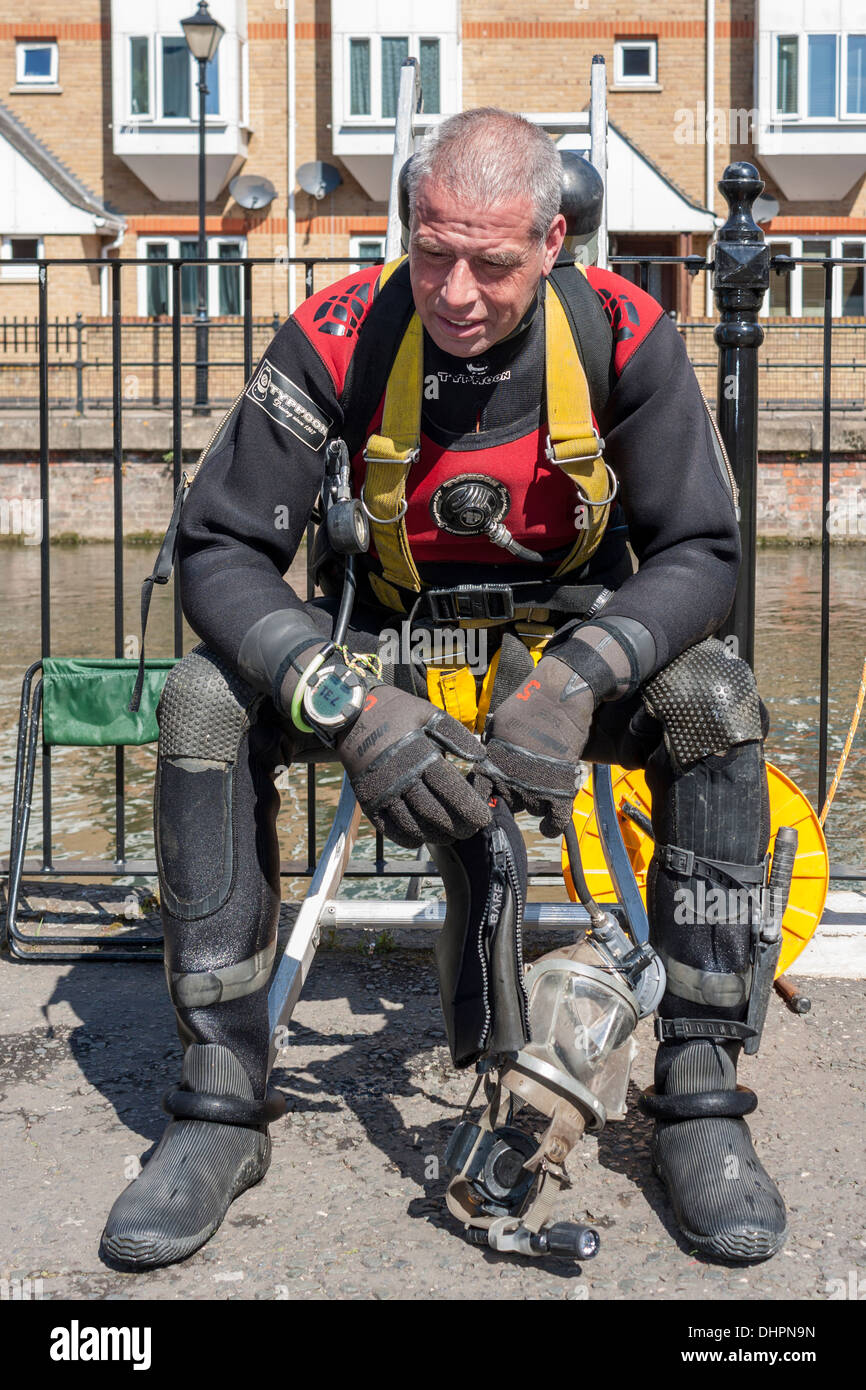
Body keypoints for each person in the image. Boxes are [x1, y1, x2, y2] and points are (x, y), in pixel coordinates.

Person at [101, 108, 785, 1271]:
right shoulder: (335, 334)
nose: (455, 290)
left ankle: (698, 1088)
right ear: (404, 230)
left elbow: (702, 553)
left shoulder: (625, 334)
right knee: (202, 702)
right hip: (375, 657)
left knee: (713, 699)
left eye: (492, 260)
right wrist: (344, 704)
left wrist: (582, 675)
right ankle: (219, 1095)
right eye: (430, 252)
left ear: (554, 240)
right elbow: (217, 546)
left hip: (560, 661)